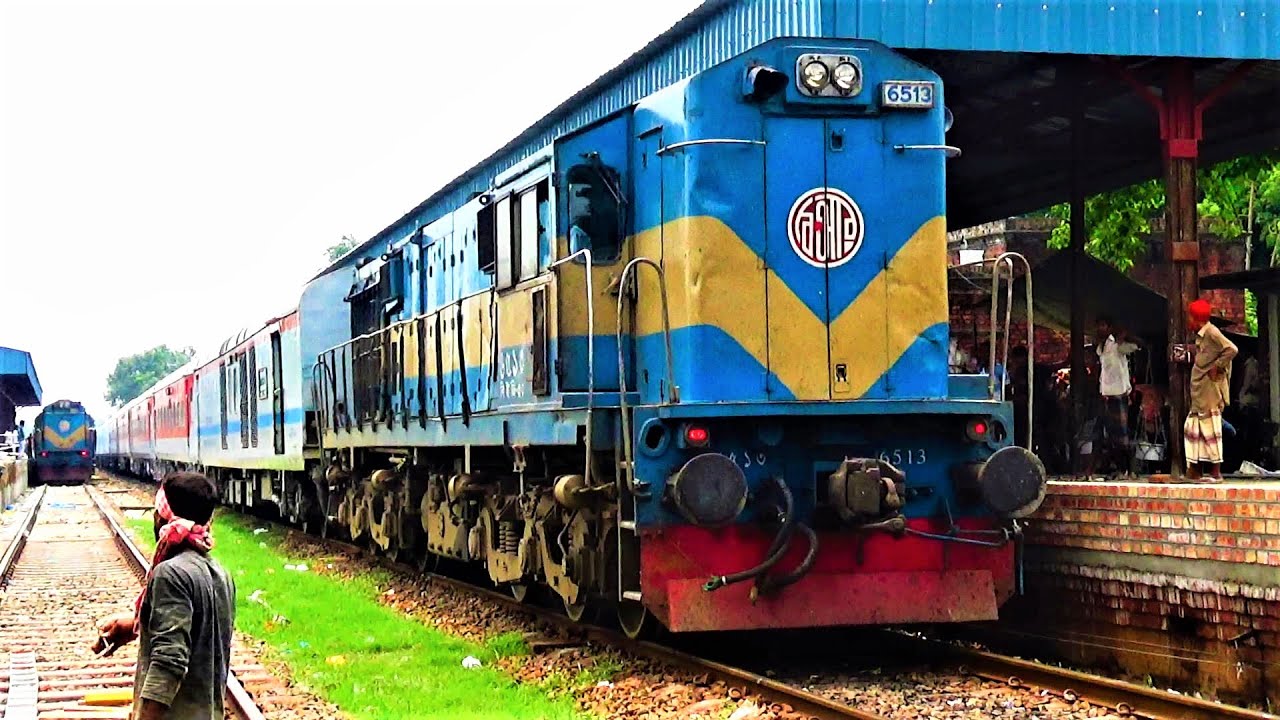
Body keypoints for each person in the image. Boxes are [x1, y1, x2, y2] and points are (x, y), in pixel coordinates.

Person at [92, 472, 235, 720]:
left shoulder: (170, 573)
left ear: (162, 516)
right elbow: (199, 630)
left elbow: (170, 660)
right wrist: (138, 625)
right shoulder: (219, 573)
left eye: (156, 511)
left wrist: (146, 717)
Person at [1183, 299, 1238, 481]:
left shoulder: (1212, 332)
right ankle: (1195, 469)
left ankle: (1216, 472)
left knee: (1209, 429)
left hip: (1210, 392)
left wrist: (1217, 365)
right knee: (1193, 429)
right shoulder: (1201, 335)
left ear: (1196, 318)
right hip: (1200, 391)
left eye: (1190, 316)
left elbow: (1232, 349)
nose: (1187, 320)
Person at [1093, 317, 1139, 476]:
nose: (1100, 329)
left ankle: (1127, 469)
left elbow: (1134, 347)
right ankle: (1117, 467)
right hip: (1106, 395)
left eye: (1103, 325)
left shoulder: (1117, 346)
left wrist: (1123, 337)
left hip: (1119, 394)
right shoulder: (1101, 347)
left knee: (1122, 434)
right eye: (1099, 326)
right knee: (1109, 433)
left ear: (1109, 327)